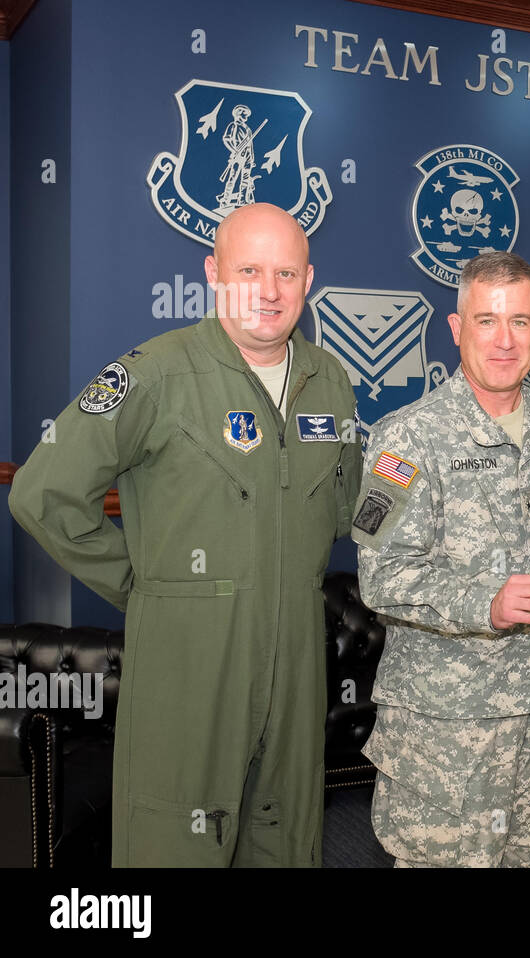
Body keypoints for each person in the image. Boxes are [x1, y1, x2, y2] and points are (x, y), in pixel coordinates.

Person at [8, 203, 361, 866]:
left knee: (287, 838)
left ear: (309, 280)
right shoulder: (156, 373)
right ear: (212, 272)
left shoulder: (330, 380)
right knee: (174, 843)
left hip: (297, 663)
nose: (269, 289)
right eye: (249, 268)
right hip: (190, 663)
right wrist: (149, 587)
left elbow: (345, 510)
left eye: (287, 272)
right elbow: (41, 494)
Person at [352, 251, 530, 868]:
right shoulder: (405, 438)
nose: (505, 341)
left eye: (521, 322)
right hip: (444, 731)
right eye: (487, 321)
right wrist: (489, 601)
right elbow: (381, 575)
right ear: (456, 330)